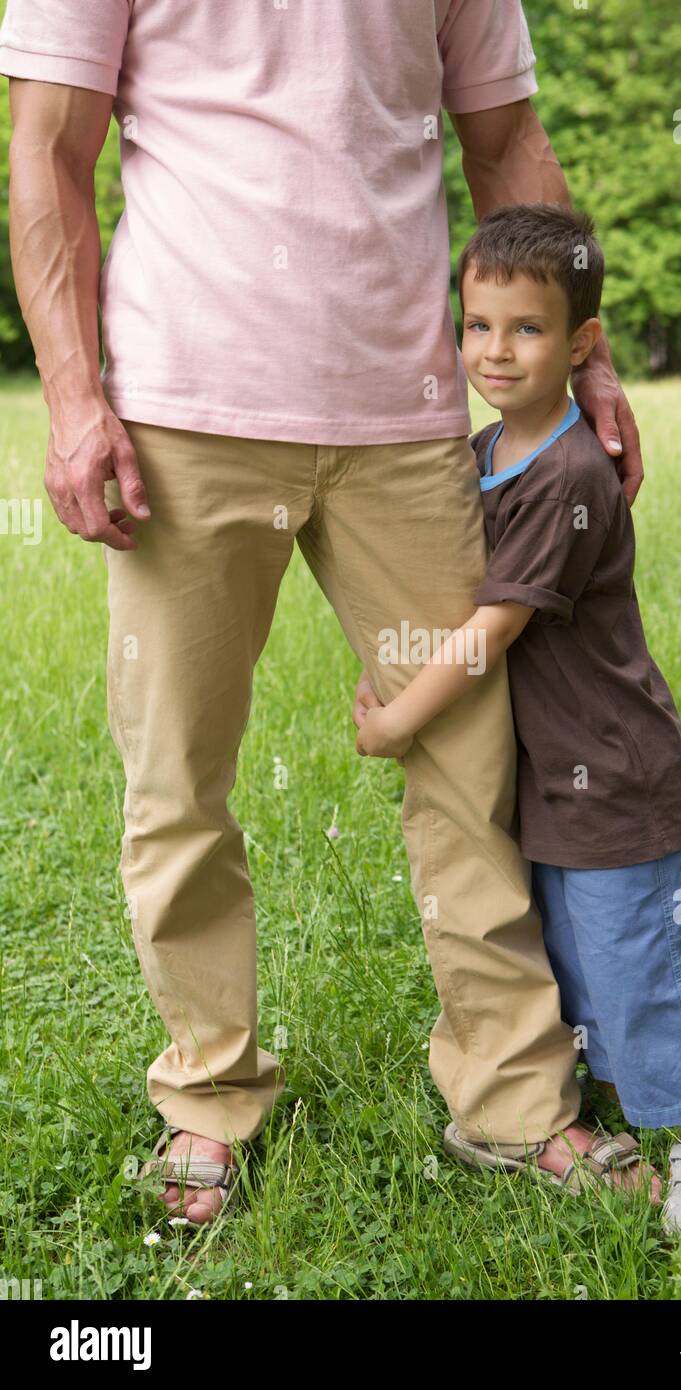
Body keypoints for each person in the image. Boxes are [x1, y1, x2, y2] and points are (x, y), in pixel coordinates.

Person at [1, 0, 647, 1225]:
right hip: (183, 408)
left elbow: (506, 140)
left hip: (404, 418)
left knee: (474, 759)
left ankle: (510, 1096)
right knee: (178, 777)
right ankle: (209, 1091)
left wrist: (591, 353)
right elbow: (47, 151)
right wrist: (75, 399)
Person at [355, 203, 681, 1243]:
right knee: (574, 954)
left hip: (613, 770)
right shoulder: (492, 448)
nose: (493, 350)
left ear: (580, 344)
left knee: (640, 963)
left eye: (525, 329)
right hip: (551, 771)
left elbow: (491, 631)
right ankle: (609, 1090)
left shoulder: (569, 475)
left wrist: (398, 719)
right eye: (477, 325)